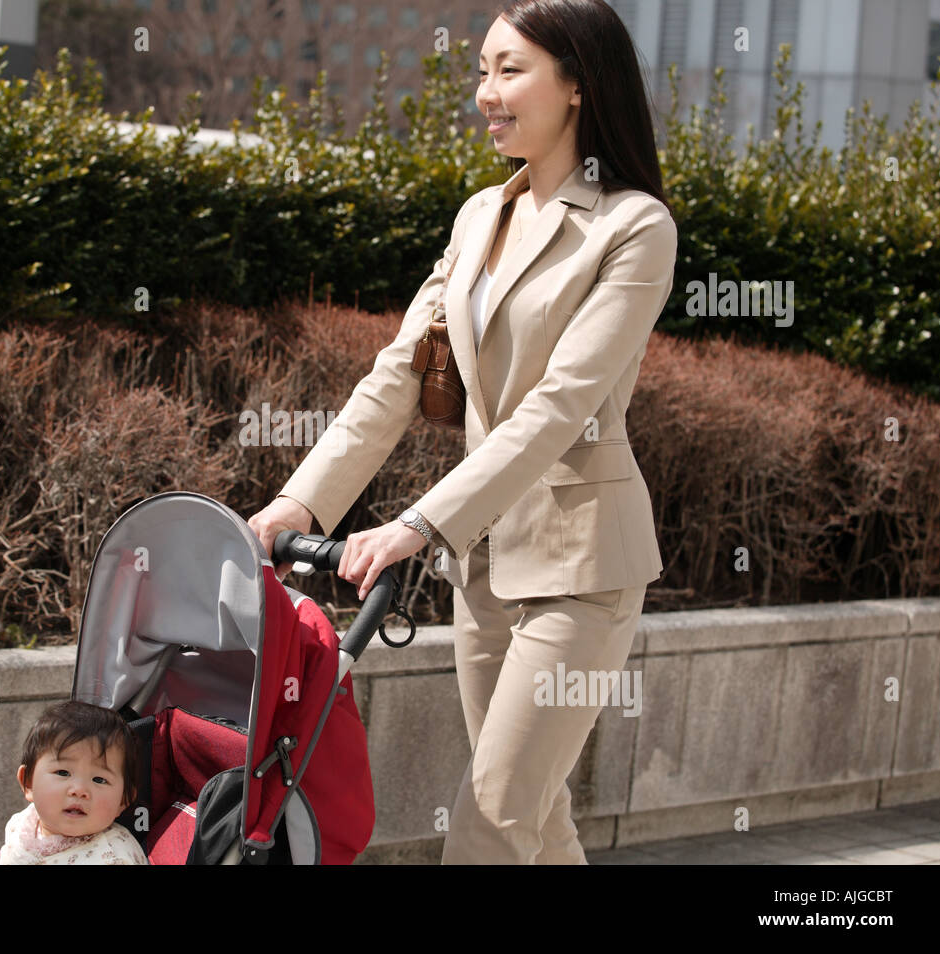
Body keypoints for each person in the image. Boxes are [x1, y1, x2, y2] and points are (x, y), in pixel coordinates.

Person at [247, 0, 676, 864]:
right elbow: (399, 375)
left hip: (581, 567)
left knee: (490, 821)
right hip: (481, 564)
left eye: (510, 70)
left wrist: (416, 524)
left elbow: (561, 405)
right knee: (537, 820)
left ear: (578, 85)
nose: (486, 92)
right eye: (482, 70)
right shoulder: (480, 215)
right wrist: (299, 506)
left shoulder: (634, 228)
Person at [0, 700, 148, 864]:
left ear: (124, 800)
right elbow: (9, 858)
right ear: (28, 783)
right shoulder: (28, 823)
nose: (79, 790)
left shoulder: (112, 857)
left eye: (99, 779)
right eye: (63, 772)